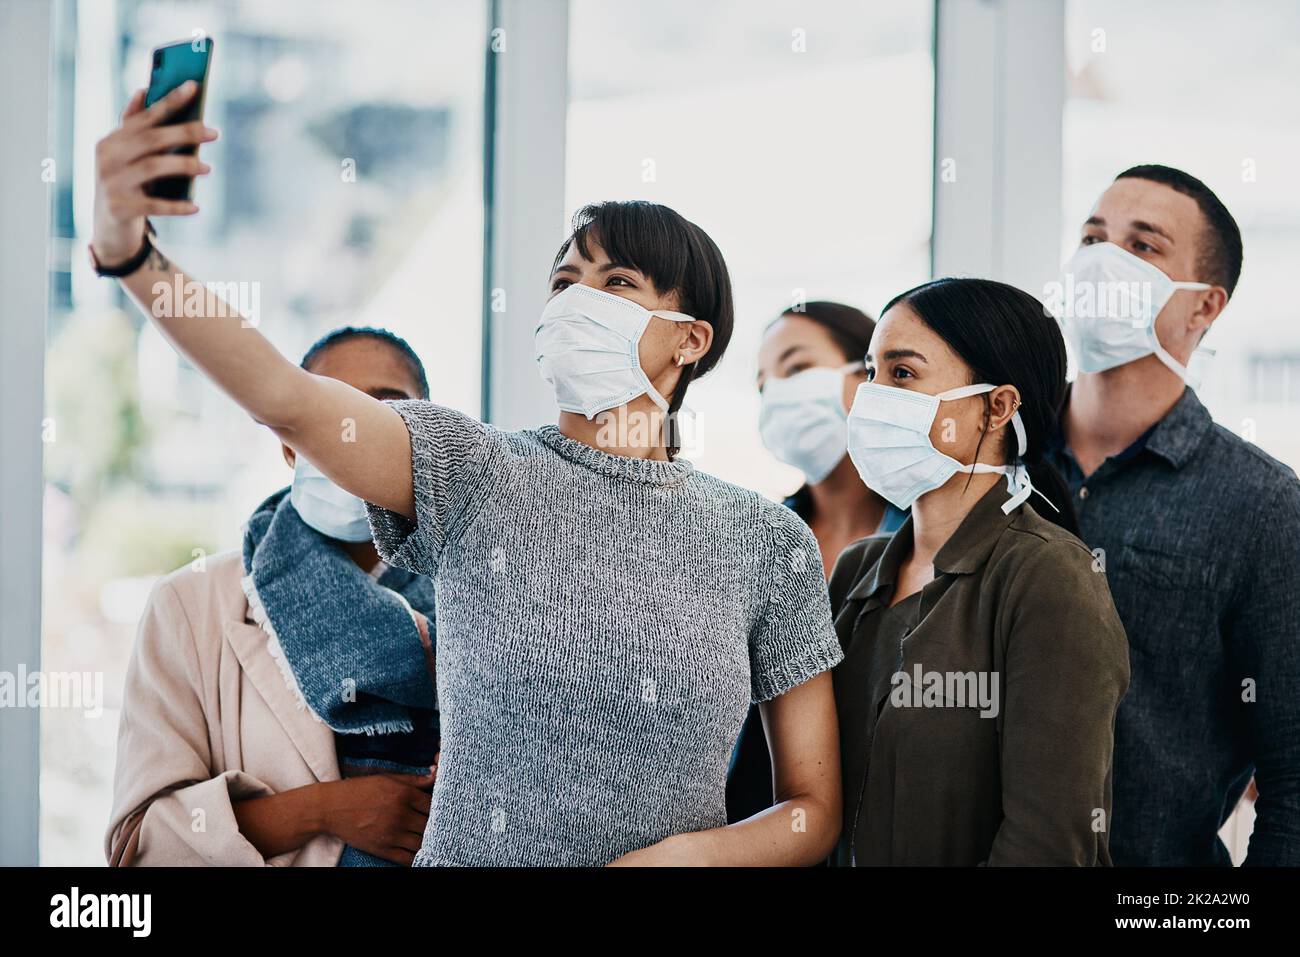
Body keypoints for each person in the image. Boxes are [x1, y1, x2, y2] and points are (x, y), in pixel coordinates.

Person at [90, 81, 844, 867]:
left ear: (690, 340)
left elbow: (812, 807)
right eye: (564, 281)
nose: (577, 299)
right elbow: (284, 394)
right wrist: (131, 254)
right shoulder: (476, 473)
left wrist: (689, 858)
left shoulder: (766, 542)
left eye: (616, 282)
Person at [107, 326, 440, 867]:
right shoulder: (190, 607)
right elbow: (140, 846)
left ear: (429, 436)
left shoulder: (485, 597)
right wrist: (325, 811)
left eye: (385, 409)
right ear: (289, 442)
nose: (352, 431)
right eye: (325, 408)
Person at [829, 277, 1130, 866]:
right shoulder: (855, 571)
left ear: (998, 406)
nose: (871, 397)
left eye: (903, 374)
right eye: (872, 373)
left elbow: (1048, 844)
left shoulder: (1048, 578)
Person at [1048, 164, 1300, 866]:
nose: (1102, 260)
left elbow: (1293, 772)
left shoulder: (1261, 503)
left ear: (1204, 306)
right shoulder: (995, 453)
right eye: (1092, 236)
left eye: (1143, 246)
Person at [727, 302, 907, 823]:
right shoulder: (757, 539)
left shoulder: (927, 534)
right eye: (764, 384)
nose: (777, 395)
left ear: (868, 376)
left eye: (797, 368)